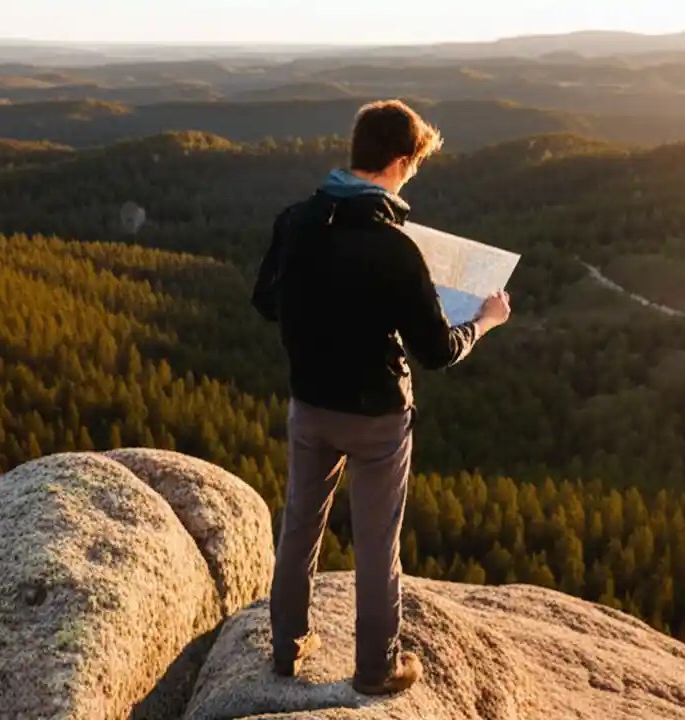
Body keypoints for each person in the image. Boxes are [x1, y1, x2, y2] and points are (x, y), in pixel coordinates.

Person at [251, 99, 512, 695]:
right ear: (398, 161)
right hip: (376, 417)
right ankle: (375, 669)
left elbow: (266, 302)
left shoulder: (296, 221)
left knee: (298, 530)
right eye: (415, 164)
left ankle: (287, 649)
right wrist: (487, 321)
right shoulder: (396, 247)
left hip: (309, 404)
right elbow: (440, 351)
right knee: (376, 545)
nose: (414, 173)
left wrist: (318, 307)